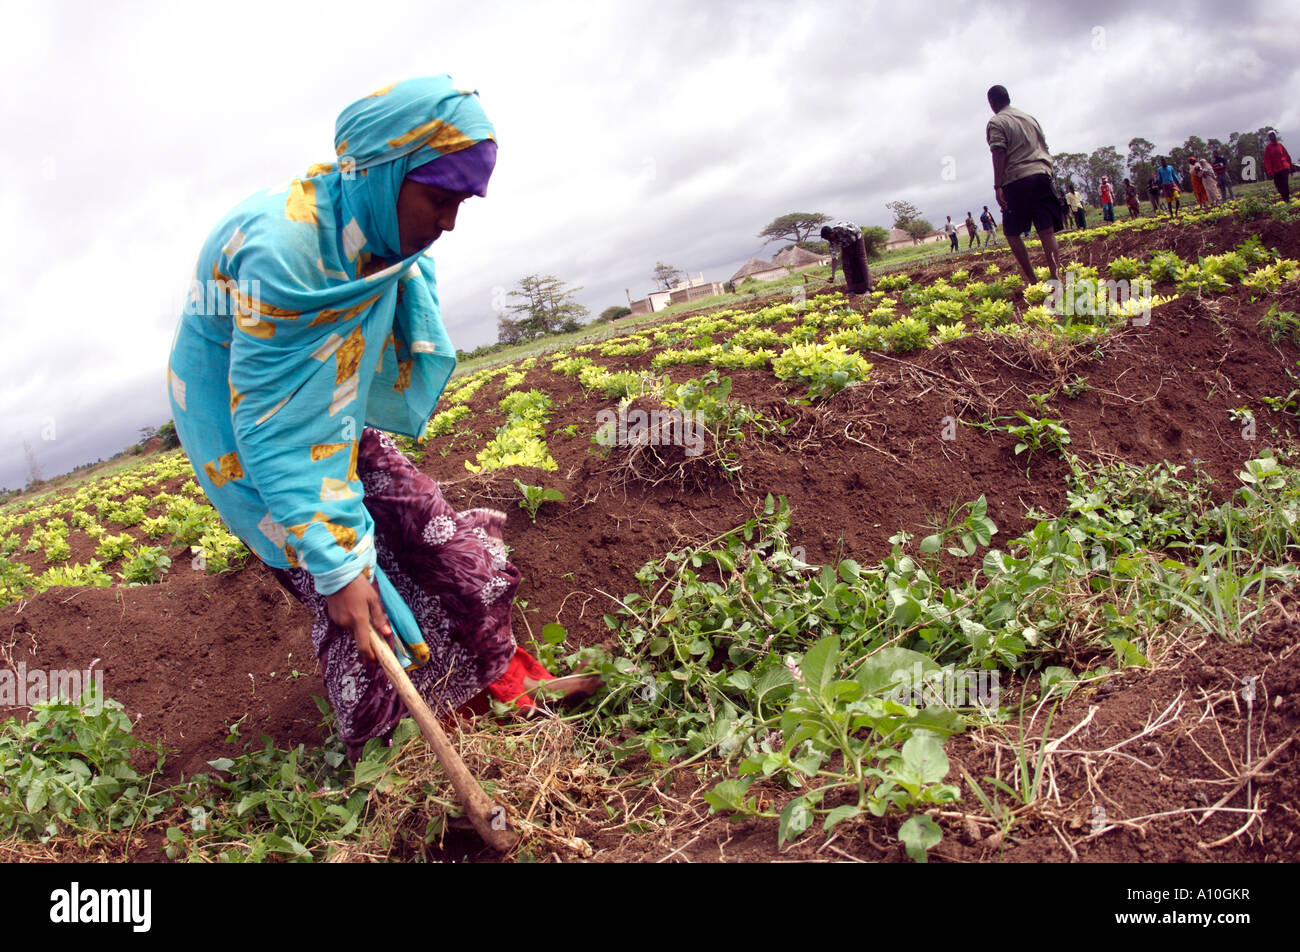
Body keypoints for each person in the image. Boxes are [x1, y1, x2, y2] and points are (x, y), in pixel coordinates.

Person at [166, 76, 598, 760]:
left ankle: (511, 685)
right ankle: (409, 759)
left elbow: (320, 393)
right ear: (385, 173)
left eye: (461, 203)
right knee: (359, 604)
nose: (448, 223)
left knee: (437, 540)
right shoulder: (285, 254)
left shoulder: (364, 228)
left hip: (327, 408)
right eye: (440, 199)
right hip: (247, 439)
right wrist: (338, 567)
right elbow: (271, 427)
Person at [985, 84, 1061, 282]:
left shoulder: (997, 121)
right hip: (1042, 174)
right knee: (1046, 230)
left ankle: (1033, 280)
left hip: (1018, 179)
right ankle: (1056, 277)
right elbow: (1044, 145)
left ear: (992, 103)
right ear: (1008, 98)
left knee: (1011, 232)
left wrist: (998, 185)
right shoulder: (1029, 118)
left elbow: (999, 152)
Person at [1264, 131, 1294, 203]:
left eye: (1273, 135)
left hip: (1284, 167)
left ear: (1275, 136)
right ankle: (1285, 198)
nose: (1272, 137)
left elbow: (1286, 155)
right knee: (1278, 186)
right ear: (1269, 138)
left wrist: (1290, 165)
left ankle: (1287, 200)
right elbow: (1267, 160)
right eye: (1270, 136)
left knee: (1285, 184)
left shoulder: (1280, 145)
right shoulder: (1268, 148)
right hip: (1276, 170)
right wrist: (1269, 171)